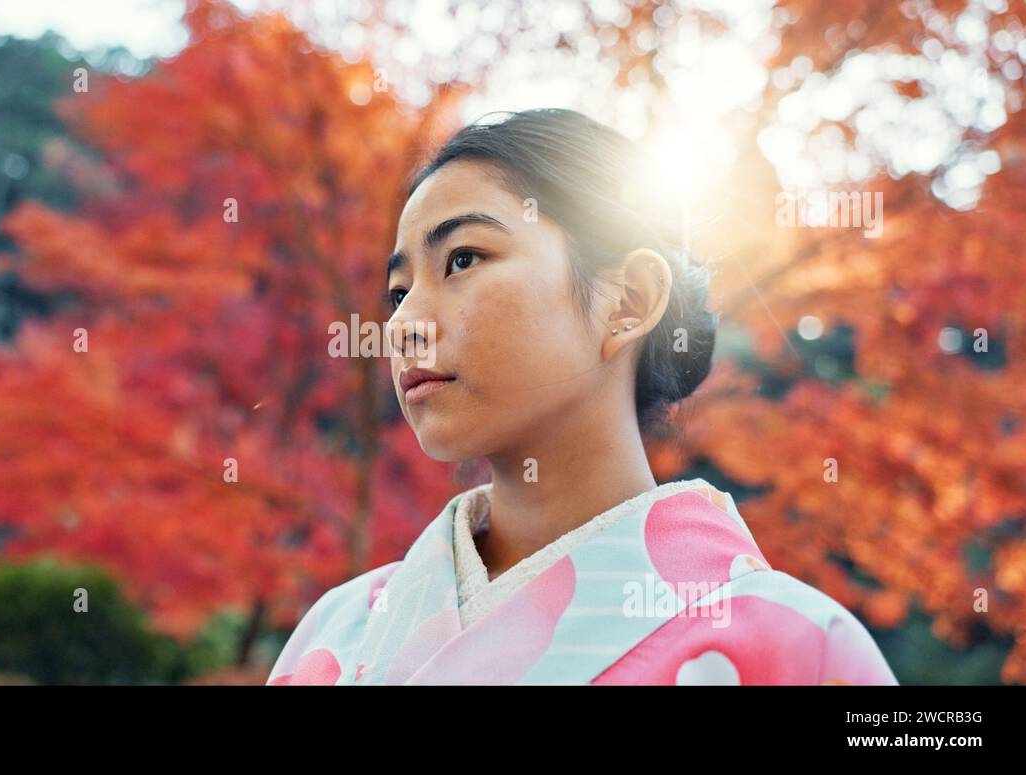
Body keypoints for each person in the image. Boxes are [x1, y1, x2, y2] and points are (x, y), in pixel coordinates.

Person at [266, 108, 898, 685]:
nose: (404, 325)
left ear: (627, 302)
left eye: (462, 259)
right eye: (399, 293)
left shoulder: (796, 649)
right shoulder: (334, 635)